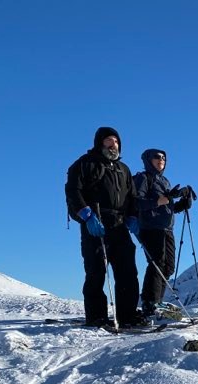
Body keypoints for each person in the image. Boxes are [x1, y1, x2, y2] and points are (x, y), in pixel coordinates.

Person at [65, 127, 143, 327]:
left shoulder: (123, 169)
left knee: (127, 271)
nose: (113, 145)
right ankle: (96, 316)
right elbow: (73, 190)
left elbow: (133, 197)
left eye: (116, 141)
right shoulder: (84, 164)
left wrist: (133, 216)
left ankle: (127, 315)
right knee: (96, 270)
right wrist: (86, 214)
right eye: (109, 141)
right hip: (95, 222)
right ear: (99, 143)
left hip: (119, 225)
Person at [132, 149, 194, 316]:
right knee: (157, 263)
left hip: (166, 228)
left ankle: (155, 302)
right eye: (157, 157)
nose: (161, 160)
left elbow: (168, 207)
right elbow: (137, 202)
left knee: (168, 266)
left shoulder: (164, 181)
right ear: (147, 160)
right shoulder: (143, 178)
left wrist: (183, 203)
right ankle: (149, 302)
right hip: (150, 227)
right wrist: (164, 199)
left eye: (164, 158)